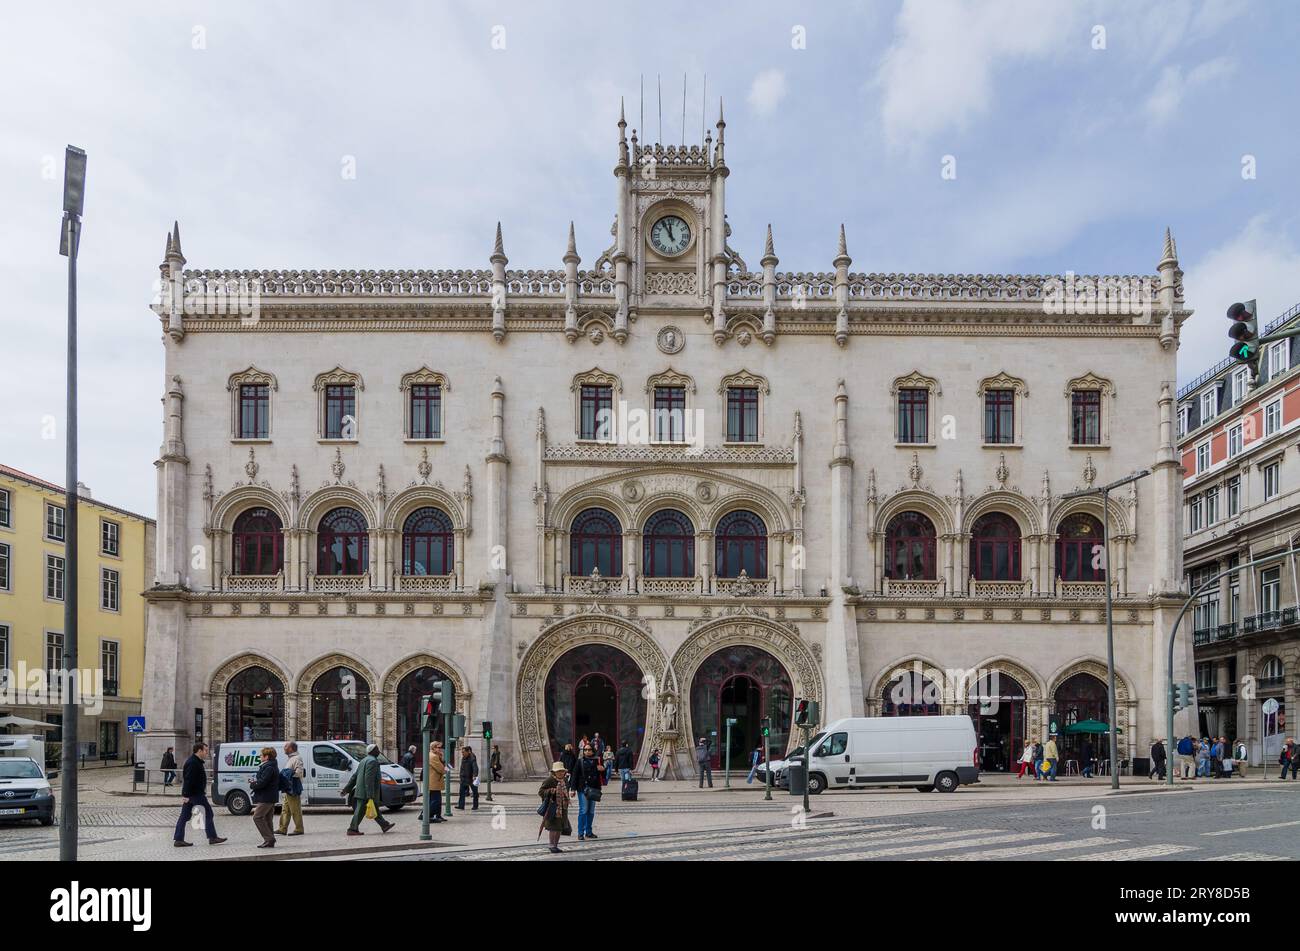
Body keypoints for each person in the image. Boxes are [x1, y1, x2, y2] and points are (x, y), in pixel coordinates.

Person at [173, 742, 226, 847]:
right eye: (205, 750)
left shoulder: (196, 761)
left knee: (184, 816)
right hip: (195, 795)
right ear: (199, 751)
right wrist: (185, 795)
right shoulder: (193, 763)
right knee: (208, 813)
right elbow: (188, 780)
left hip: (192, 794)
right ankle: (212, 837)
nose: (207, 753)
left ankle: (178, 839)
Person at [344, 743, 394, 835]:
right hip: (367, 792)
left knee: (374, 809)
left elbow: (355, 776)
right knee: (360, 812)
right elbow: (369, 779)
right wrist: (370, 794)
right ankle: (352, 829)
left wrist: (347, 789)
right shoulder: (373, 761)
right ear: (373, 751)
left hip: (362, 791)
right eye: (377, 749)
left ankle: (384, 825)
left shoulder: (363, 760)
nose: (379, 751)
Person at [249, 746, 280, 848]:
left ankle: (269, 839)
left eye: (261, 755)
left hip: (266, 797)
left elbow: (263, 782)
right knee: (267, 818)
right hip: (269, 796)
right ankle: (270, 840)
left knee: (257, 817)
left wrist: (253, 784)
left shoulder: (269, 767)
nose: (260, 757)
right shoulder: (270, 766)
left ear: (266, 757)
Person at [538, 761, 572, 854]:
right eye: (559, 771)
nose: (561, 773)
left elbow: (567, 790)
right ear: (554, 772)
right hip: (553, 808)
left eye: (562, 771)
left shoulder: (565, 780)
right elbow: (541, 792)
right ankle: (552, 845)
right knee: (553, 828)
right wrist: (550, 791)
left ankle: (555, 845)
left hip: (563, 808)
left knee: (559, 828)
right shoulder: (549, 780)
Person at [276, 740, 306, 836]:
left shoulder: (297, 758)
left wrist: (288, 773)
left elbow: (299, 773)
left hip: (293, 788)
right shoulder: (291, 758)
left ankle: (299, 829)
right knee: (285, 809)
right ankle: (282, 828)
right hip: (288, 788)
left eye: (286, 746)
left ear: (291, 748)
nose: (284, 748)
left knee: (295, 809)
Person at [574, 743, 602, 840]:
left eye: (589, 749)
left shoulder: (596, 761)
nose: (587, 751)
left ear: (592, 750)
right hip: (583, 789)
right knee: (583, 810)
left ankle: (589, 832)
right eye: (585, 750)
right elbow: (575, 776)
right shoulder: (580, 761)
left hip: (594, 789)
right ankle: (580, 832)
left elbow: (602, 777)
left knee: (591, 811)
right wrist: (572, 789)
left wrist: (603, 770)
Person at [422, 740, 447, 823]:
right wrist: (445, 770)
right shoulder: (432, 756)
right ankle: (429, 816)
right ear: (433, 748)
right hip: (434, 781)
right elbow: (441, 768)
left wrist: (440, 756)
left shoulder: (435, 755)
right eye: (438, 747)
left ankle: (437, 815)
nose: (440, 749)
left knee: (437, 800)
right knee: (435, 800)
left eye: (440, 747)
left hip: (436, 781)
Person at [457, 743, 480, 810]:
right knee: (461, 793)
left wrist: (475, 776)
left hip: (471, 778)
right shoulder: (463, 758)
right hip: (464, 778)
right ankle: (461, 805)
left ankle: (475, 806)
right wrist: (461, 776)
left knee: (475, 792)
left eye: (463, 752)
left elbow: (475, 767)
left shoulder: (472, 758)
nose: (462, 753)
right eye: (462, 752)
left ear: (468, 752)